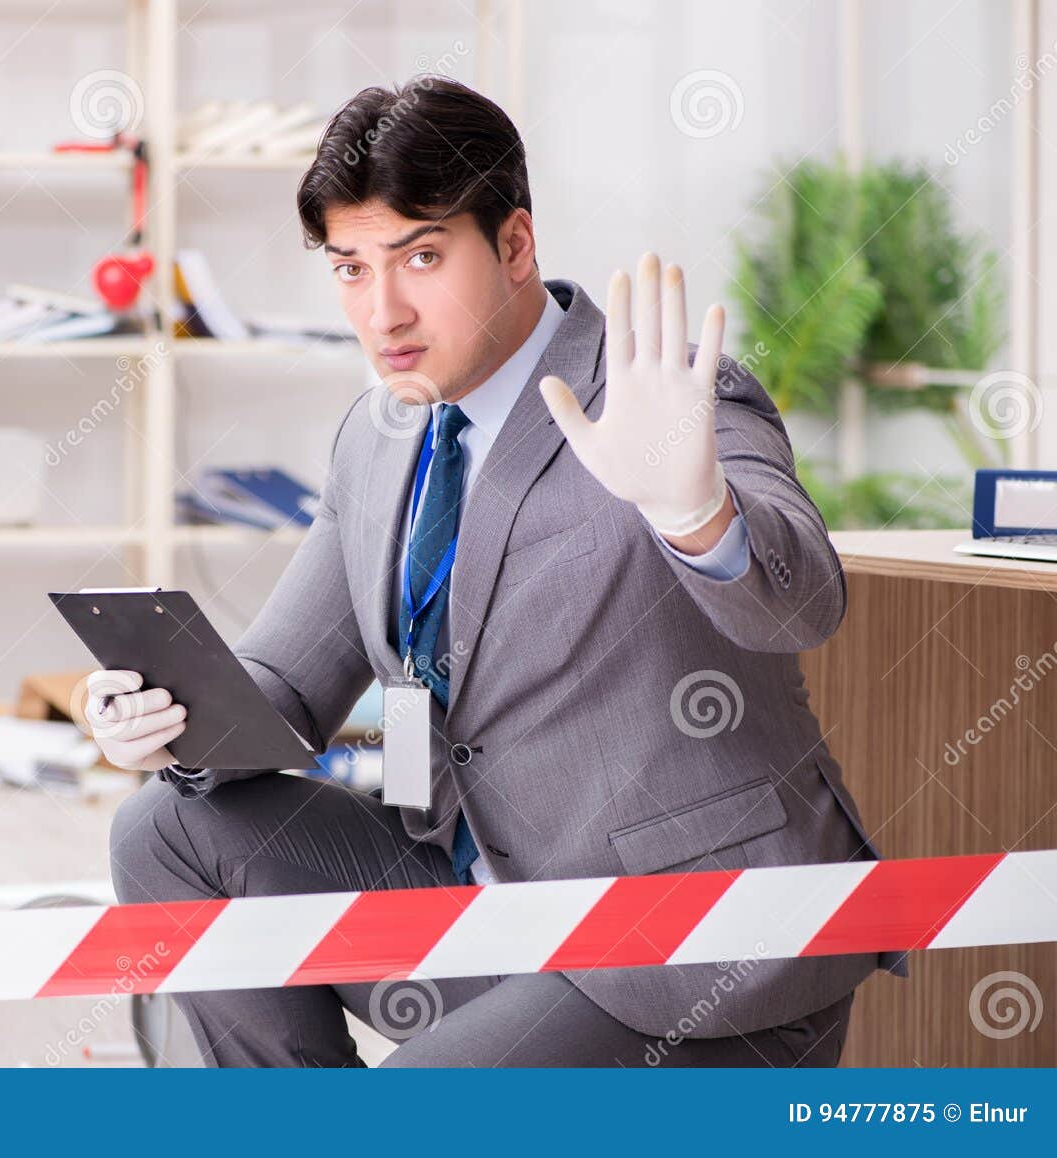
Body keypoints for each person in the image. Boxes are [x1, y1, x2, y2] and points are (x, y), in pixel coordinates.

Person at [95, 76, 902, 1067]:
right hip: (495, 914)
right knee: (165, 827)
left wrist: (693, 510)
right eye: (350, 268)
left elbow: (801, 606)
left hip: (688, 939)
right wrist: (171, 714)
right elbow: (289, 686)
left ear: (514, 244)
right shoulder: (378, 436)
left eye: (420, 258)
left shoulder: (662, 393)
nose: (381, 310)